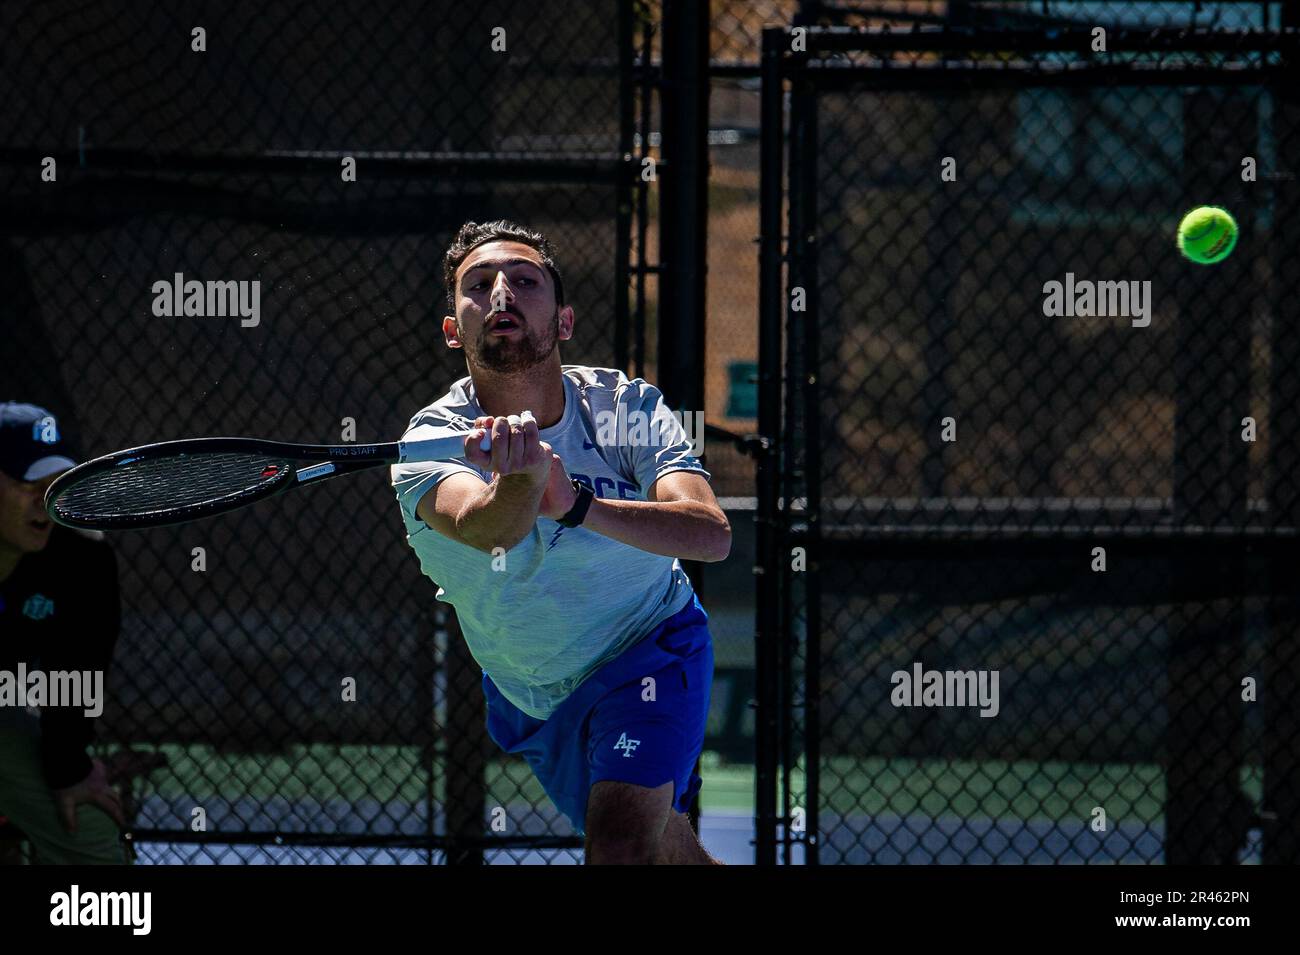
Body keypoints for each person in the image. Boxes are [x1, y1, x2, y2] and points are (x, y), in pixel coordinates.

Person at [391, 221, 731, 864]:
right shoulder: (428, 441)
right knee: (665, 850)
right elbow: (484, 527)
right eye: (479, 284)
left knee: (620, 845)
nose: (501, 293)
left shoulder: (624, 408)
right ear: (452, 329)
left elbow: (709, 535)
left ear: (565, 321)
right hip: (529, 688)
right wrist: (521, 484)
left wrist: (577, 503)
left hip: (650, 651)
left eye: (524, 280)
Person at [0, 402, 127, 864]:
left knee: (89, 837)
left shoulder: (83, 558)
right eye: (26, 482)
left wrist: (68, 768)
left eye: (56, 485)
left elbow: (75, 676)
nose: (45, 501)